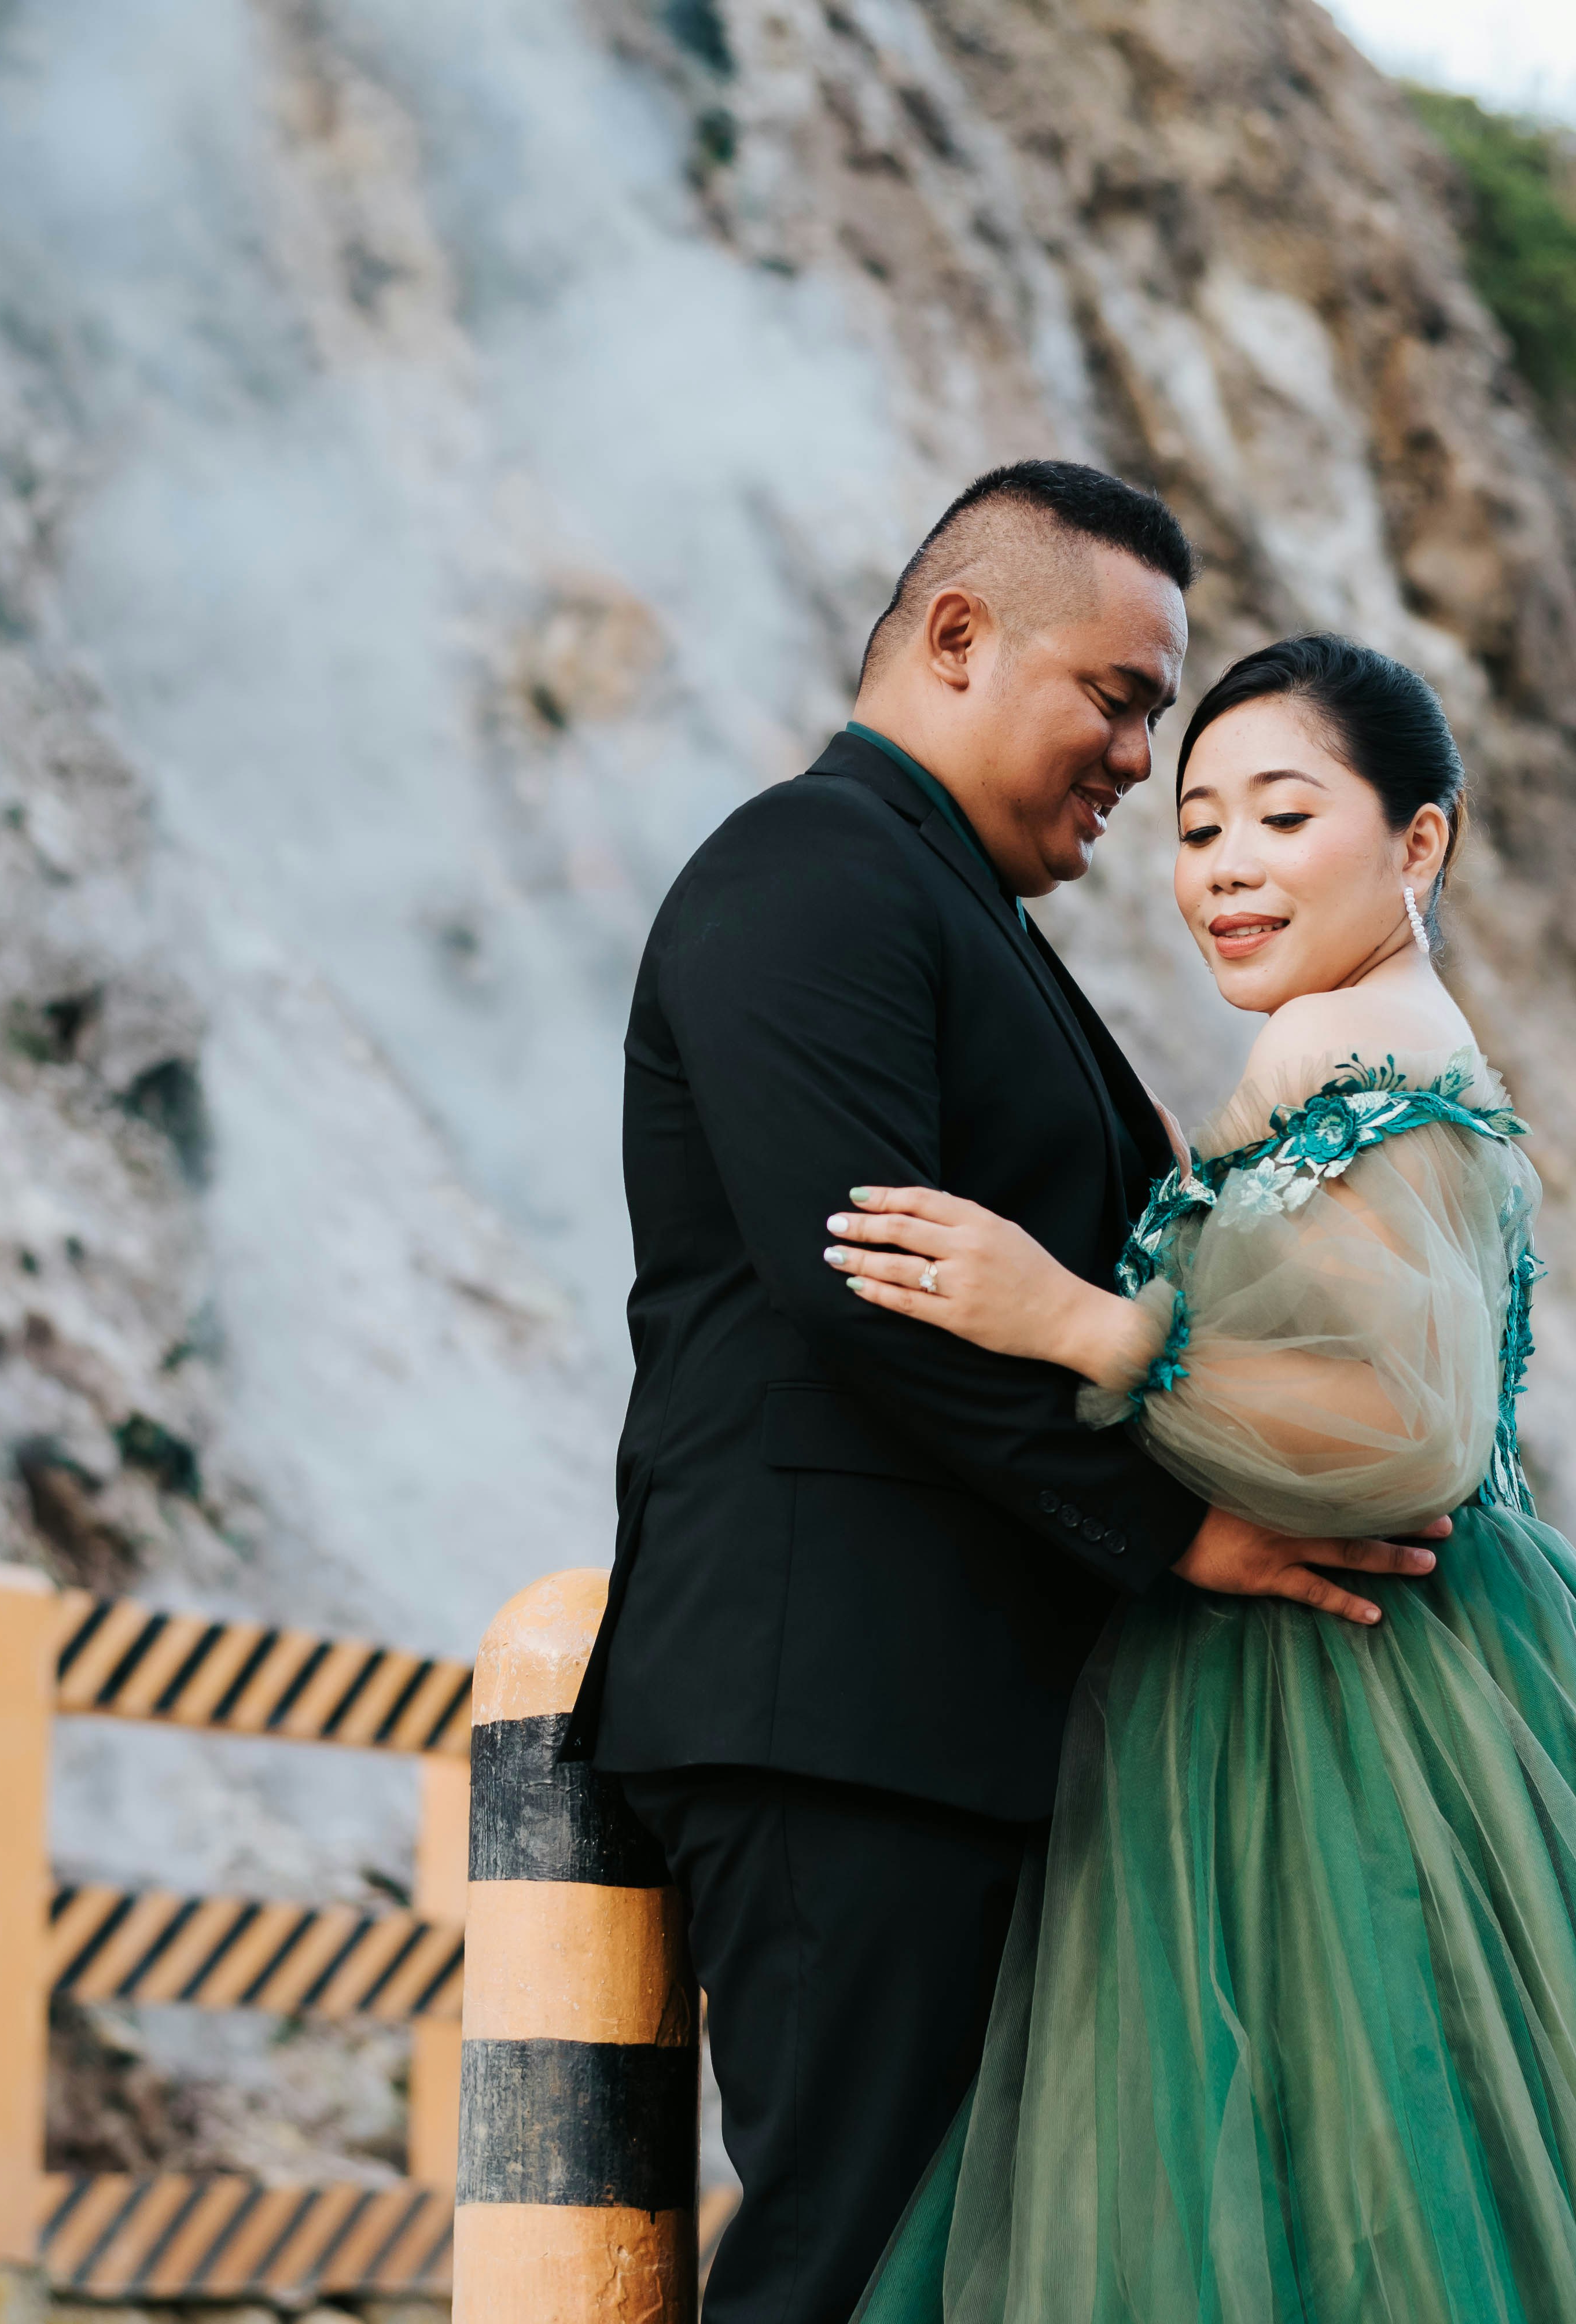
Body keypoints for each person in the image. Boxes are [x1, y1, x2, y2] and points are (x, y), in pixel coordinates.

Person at [824, 634, 1576, 2321]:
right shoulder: (1378, 1031)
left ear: (1418, 843)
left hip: (1348, 1679)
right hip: (1447, 1654)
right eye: (1196, 829)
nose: (1226, 866)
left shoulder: (1346, 1051)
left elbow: (1401, 1424)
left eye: (1279, 814)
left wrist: (1085, 1332)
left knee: (1351, 2166)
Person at [566, 469, 1446, 2324]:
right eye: (1118, 696)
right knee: (861, 2252)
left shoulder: (955, 911)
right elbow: (860, 1289)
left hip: (947, 1713)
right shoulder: (809, 868)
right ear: (957, 637)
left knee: (963, 2267)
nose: (1142, 757)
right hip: (843, 1705)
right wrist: (1174, 1526)